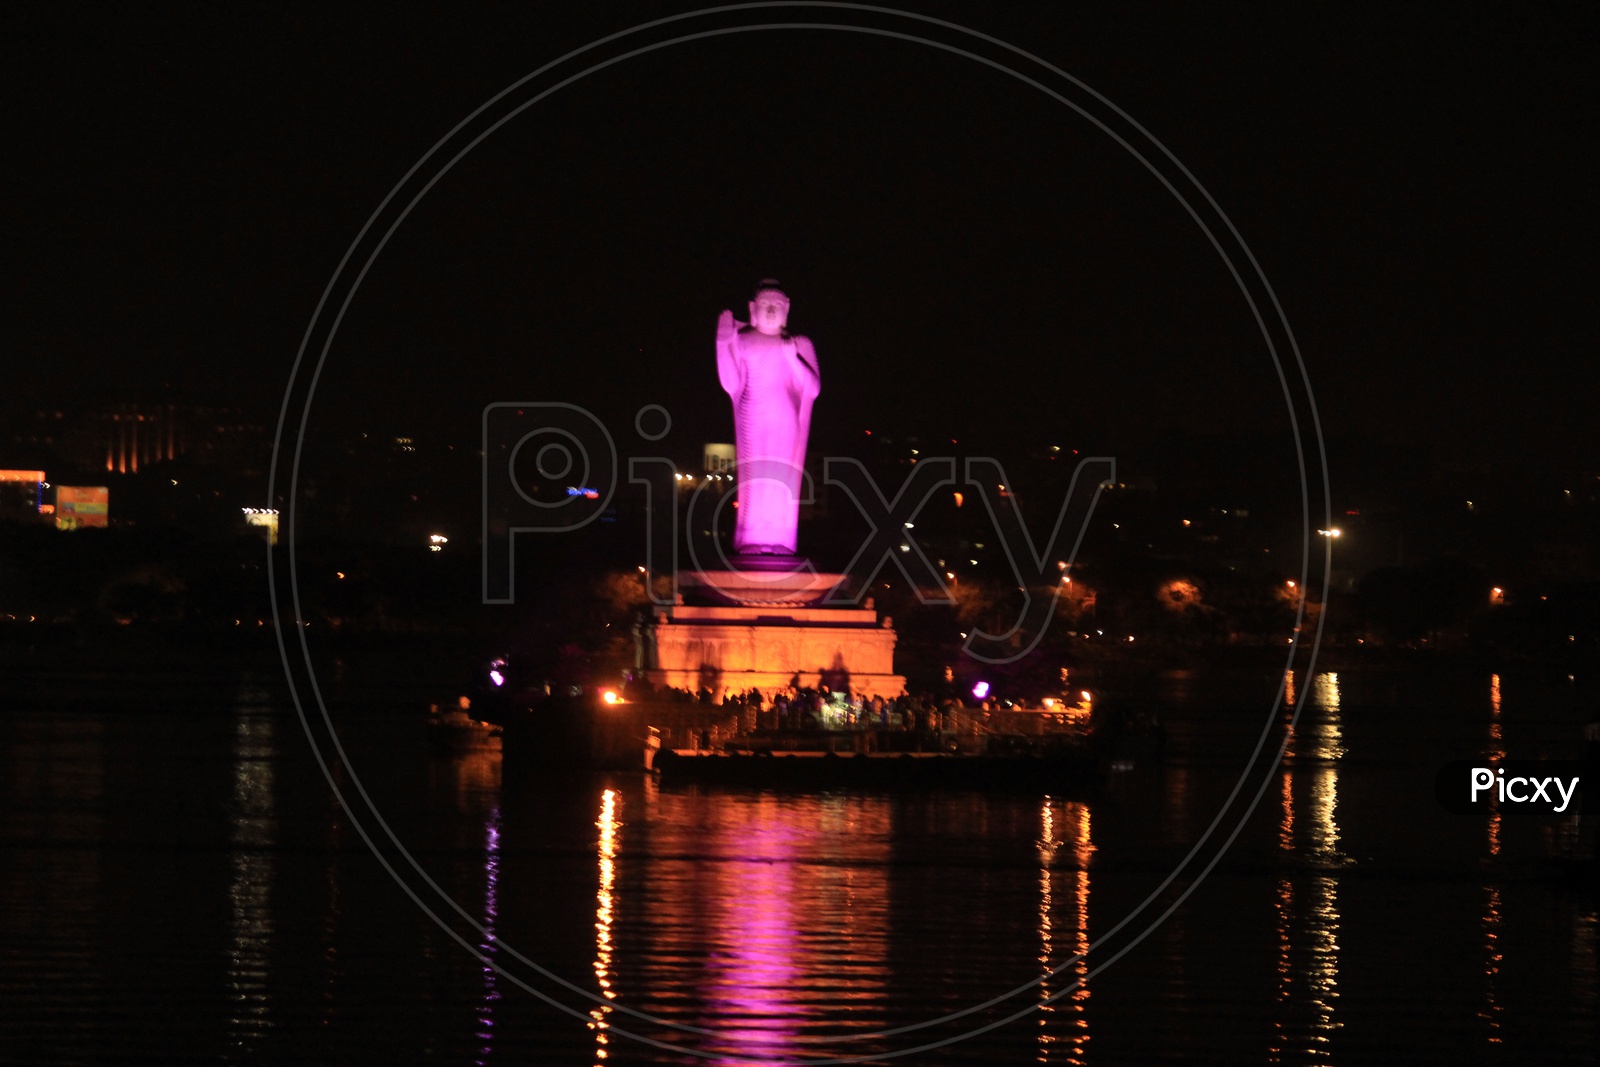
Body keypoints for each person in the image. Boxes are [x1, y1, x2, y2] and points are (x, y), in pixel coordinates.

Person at [716, 280, 821, 556]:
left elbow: (812, 388)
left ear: (787, 309)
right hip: (752, 414)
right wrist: (723, 341)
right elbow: (730, 382)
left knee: (780, 476)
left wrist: (792, 358)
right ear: (753, 309)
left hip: (785, 419)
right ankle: (751, 537)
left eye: (777, 306)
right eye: (765, 305)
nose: (771, 311)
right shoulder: (743, 340)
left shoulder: (799, 343)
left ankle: (780, 538)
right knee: (754, 477)